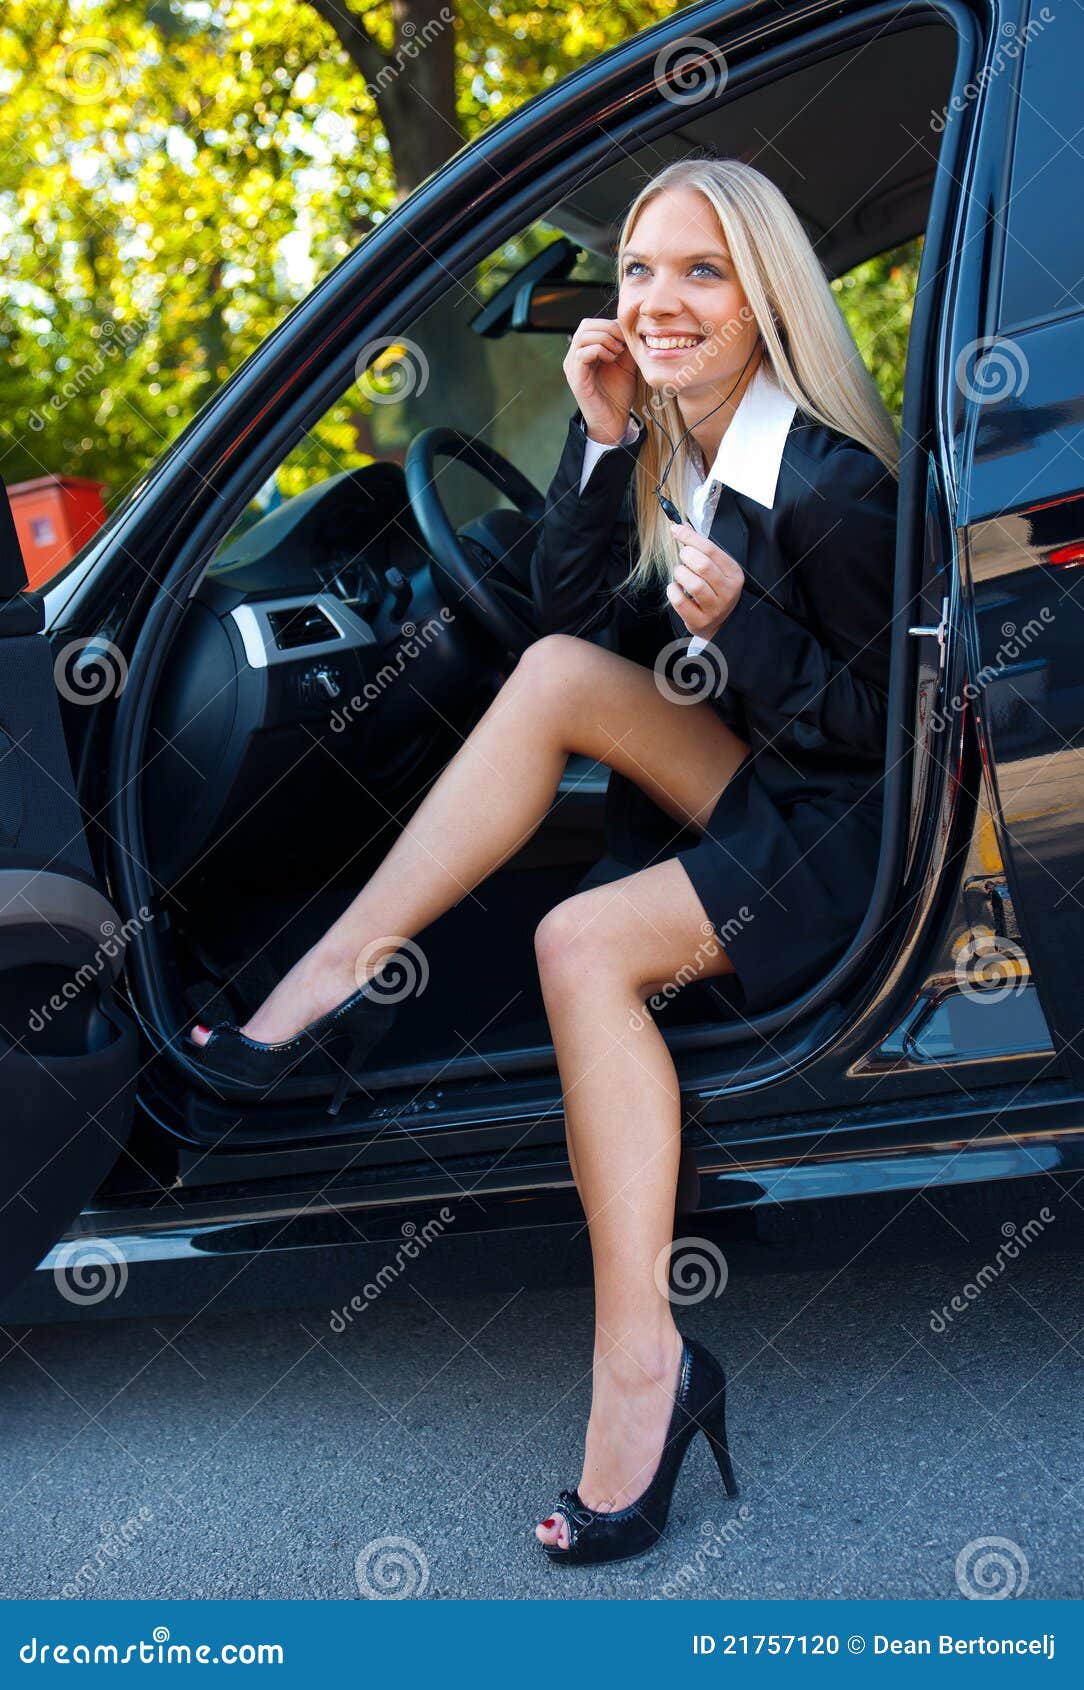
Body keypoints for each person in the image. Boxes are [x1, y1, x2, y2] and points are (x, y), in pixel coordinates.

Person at [187, 156, 900, 1565]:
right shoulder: (676, 442)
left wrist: (749, 623)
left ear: (766, 295)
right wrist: (595, 441)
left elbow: (886, 736)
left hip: (841, 832)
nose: (660, 300)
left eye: (701, 271)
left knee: (575, 942)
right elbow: (559, 623)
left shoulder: (825, 483)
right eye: (639, 270)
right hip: (764, 775)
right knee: (563, 672)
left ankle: (647, 1369)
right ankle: (334, 968)